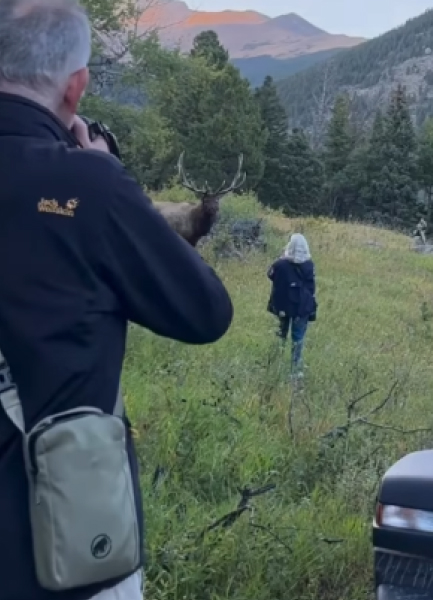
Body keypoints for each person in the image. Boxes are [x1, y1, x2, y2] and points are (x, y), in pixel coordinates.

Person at [0, 1, 235, 599]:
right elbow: (207, 311)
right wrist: (104, 179)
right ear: (75, 87)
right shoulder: (88, 186)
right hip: (61, 545)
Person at [268, 234, 317, 371]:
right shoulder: (309, 265)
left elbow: (270, 275)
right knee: (298, 338)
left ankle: (276, 363)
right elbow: (312, 286)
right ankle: (295, 369)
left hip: (283, 305)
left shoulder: (280, 264)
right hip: (302, 307)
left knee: (281, 333)